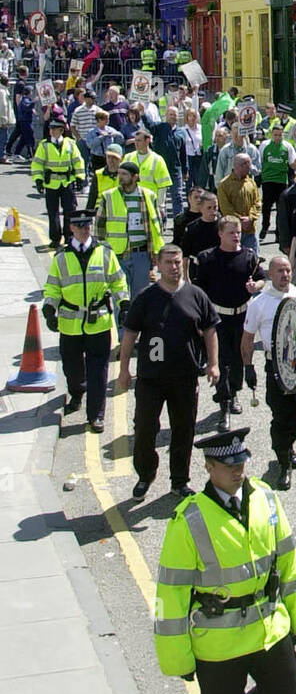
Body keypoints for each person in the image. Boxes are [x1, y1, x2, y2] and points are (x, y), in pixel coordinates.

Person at [153, 425, 296, 694]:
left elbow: (289, 559)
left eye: (242, 463)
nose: (239, 472)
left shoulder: (266, 498)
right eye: (230, 467)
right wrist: (178, 658)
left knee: (288, 691)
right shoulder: (189, 520)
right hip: (217, 643)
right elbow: (171, 594)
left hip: (267, 629)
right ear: (209, 467)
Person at [119, 244, 220, 499]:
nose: (174, 268)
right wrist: (123, 370)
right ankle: (145, 474)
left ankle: (179, 480)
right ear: (159, 265)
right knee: (144, 429)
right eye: (169, 263)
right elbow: (130, 335)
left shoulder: (196, 296)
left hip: (184, 378)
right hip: (150, 379)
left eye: (177, 263)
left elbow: (210, 331)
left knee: (183, 430)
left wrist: (213, 363)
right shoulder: (145, 297)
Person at [42, 208, 129, 431]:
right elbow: (53, 287)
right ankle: (77, 392)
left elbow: (118, 282)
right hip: (70, 324)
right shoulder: (61, 257)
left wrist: (124, 304)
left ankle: (96, 415)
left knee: (98, 370)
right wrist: (49, 309)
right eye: (79, 226)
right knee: (72, 369)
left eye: (87, 225)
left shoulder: (105, 252)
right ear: (71, 228)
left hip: (98, 322)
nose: (84, 229)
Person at [241, 255, 296, 489]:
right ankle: (283, 463)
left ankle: (290, 444)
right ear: (270, 275)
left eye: (288, 270)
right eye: (280, 271)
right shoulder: (259, 303)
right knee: (281, 417)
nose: (285, 275)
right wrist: (248, 366)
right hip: (276, 368)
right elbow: (248, 338)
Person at [192, 216, 265, 433]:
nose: (236, 236)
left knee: (238, 361)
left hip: (242, 317)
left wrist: (255, 286)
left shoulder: (249, 257)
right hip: (217, 318)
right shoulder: (208, 258)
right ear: (220, 234)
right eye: (231, 233)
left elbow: (261, 278)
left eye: (238, 233)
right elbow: (199, 291)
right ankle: (223, 404)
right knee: (221, 361)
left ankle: (234, 393)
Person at [96, 157, 165, 302]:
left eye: (124, 174)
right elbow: (99, 226)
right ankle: (121, 325)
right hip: (117, 254)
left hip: (140, 254)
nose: (120, 177)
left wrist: (156, 253)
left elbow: (157, 224)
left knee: (140, 298)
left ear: (135, 177)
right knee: (119, 297)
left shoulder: (148, 196)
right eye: (119, 174)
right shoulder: (109, 196)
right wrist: (101, 252)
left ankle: (137, 325)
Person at [31, 116, 85, 248]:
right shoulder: (44, 145)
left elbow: (78, 161)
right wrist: (38, 180)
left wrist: (80, 177)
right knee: (52, 212)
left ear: (61, 130)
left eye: (54, 129)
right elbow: (37, 164)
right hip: (51, 183)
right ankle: (55, 238)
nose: (51, 131)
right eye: (50, 128)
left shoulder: (70, 144)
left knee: (70, 211)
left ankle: (69, 237)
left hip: (67, 182)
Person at [259, 124, 296, 240]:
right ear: (272, 134)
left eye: (279, 135)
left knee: (281, 208)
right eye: (275, 135)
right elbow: (260, 160)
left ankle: (278, 231)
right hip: (268, 180)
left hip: (281, 180)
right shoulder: (264, 145)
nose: (277, 137)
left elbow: (293, 163)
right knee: (266, 206)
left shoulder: (287, 146)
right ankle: (265, 226)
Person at [218, 152, 262, 256]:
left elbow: (257, 203)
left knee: (253, 258)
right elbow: (226, 208)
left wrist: (250, 218)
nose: (250, 167)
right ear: (240, 165)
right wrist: (240, 221)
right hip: (233, 231)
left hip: (251, 230)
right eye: (248, 164)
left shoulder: (251, 183)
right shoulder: (224, 184)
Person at [131, 127, 173, 224]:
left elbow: (162, 186)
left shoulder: (157, 160)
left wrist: (160, 205)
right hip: (132, 201)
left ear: (148, 140)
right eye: (135, 141)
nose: (136, 143)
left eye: (139, 141)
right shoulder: (129, 157)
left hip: (150, 203)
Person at [180, 187, 220, 275]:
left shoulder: (223, 225)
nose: (213, 211)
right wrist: (186, 276)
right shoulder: (192, 228)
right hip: (198, 270)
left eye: (215, 207)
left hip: (219, 268)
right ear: (201, 208)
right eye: (209, 208)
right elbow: (185, 254)